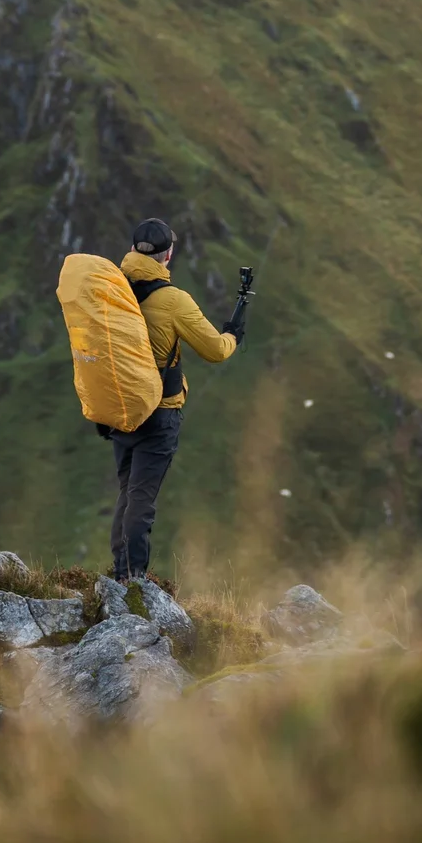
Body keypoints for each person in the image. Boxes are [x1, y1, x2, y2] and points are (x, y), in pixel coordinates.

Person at [105, 216, 249, 583]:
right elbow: (215, 350)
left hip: (121, 409)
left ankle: (120, 571)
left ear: (133, 249)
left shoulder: (112, 288)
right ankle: (132, 579)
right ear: (167, 256)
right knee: (141, 498)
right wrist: (233, 335)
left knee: (127, 491)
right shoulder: (173, 301)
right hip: (159, 412)